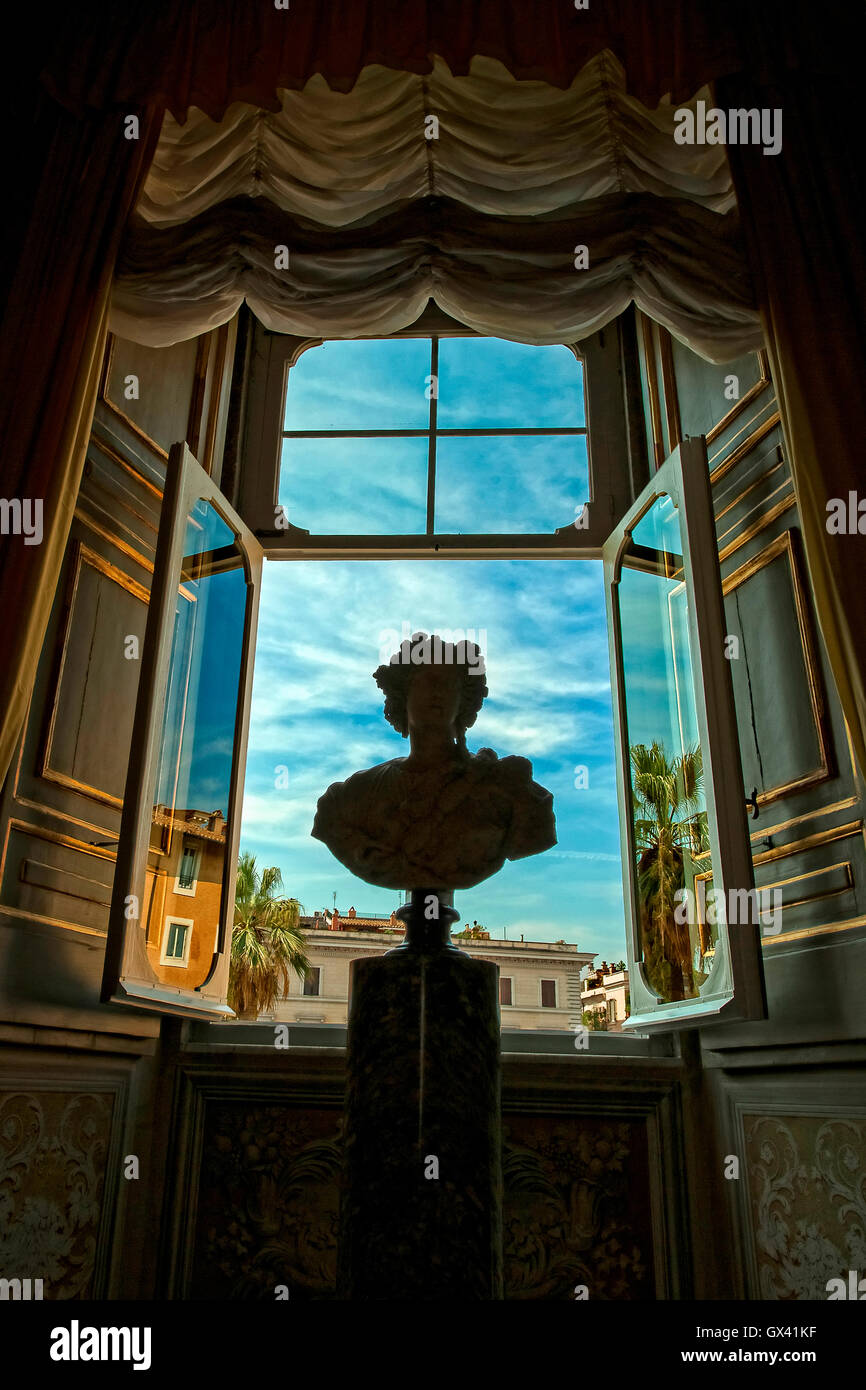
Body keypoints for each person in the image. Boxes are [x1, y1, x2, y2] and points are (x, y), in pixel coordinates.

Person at [311, 632, 556, 890]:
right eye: (427, 681)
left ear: (464, 699)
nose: (437, 692)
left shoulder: (509, 787)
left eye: (449, 683)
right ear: (403, 693)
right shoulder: (349, 799)